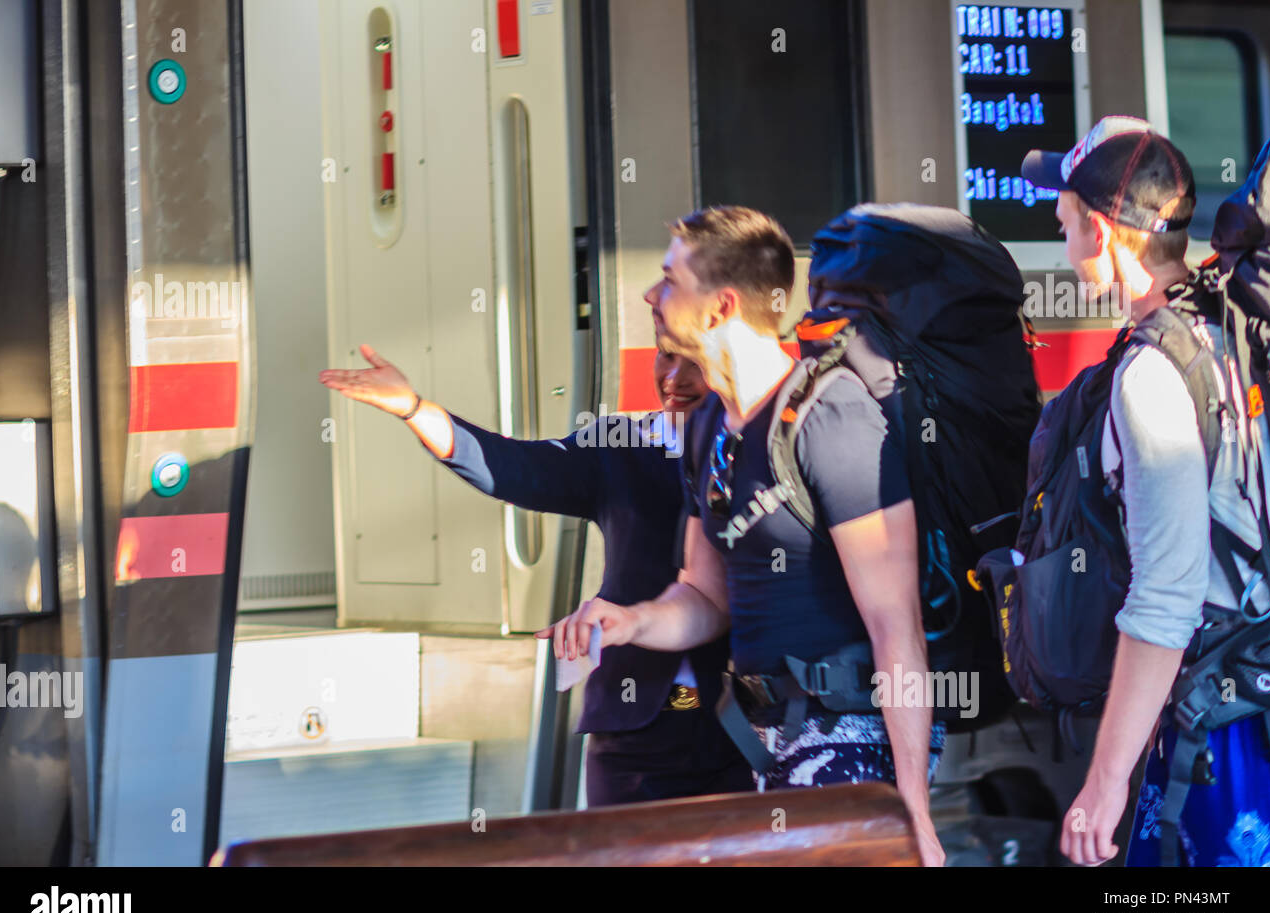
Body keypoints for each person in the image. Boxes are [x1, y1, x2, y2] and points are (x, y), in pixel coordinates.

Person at [542, 205, 946, 867]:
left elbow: (894, 624)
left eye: (671, 279)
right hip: (765, 744)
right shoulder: (709, 426)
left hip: (848, 742)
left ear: (720, 306)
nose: (652, 294)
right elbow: (706, 594)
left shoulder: (830, 413)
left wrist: (913, 813)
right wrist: (630, 621)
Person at [319, 342, 752, 807]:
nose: (674, 379)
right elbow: (513, 467)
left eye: (695, 362)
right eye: (666, 356)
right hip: (636, 730)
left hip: (745, 724)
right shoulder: (619, 445)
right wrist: (414, 409)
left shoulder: (763, 447)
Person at [1022, 115, 1270, 866]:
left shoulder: (1153, 373)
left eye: (1066, 224)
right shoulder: (1234, 330)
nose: (1066, 250)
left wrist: (1104, 784)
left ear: (1102, 236)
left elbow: (1166, 599)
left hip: (1223, 738)